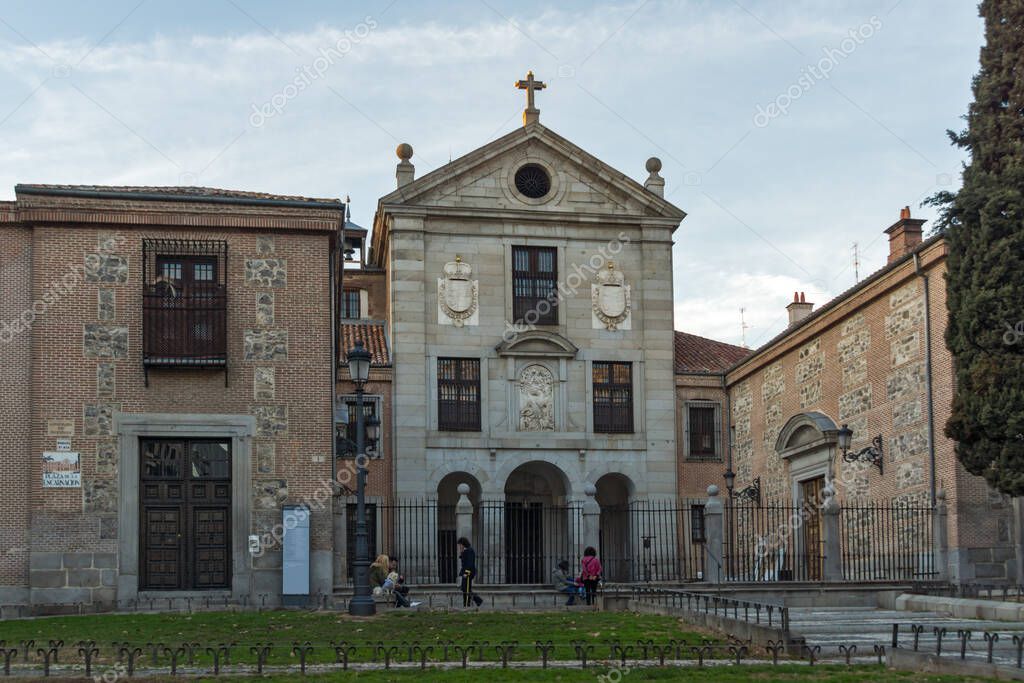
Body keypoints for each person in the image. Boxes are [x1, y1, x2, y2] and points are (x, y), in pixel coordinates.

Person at [457, 537, 483, 607]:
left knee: (466, 589)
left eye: (460, 545)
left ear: (463, 544)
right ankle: (475, 601)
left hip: (468, 573)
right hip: (465, 573)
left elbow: (469, 563)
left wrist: (466, 573)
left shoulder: (470, 551)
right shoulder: (465, 551)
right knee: (464, 588)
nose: (459, 546)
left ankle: (468, 603)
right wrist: (462, 553)